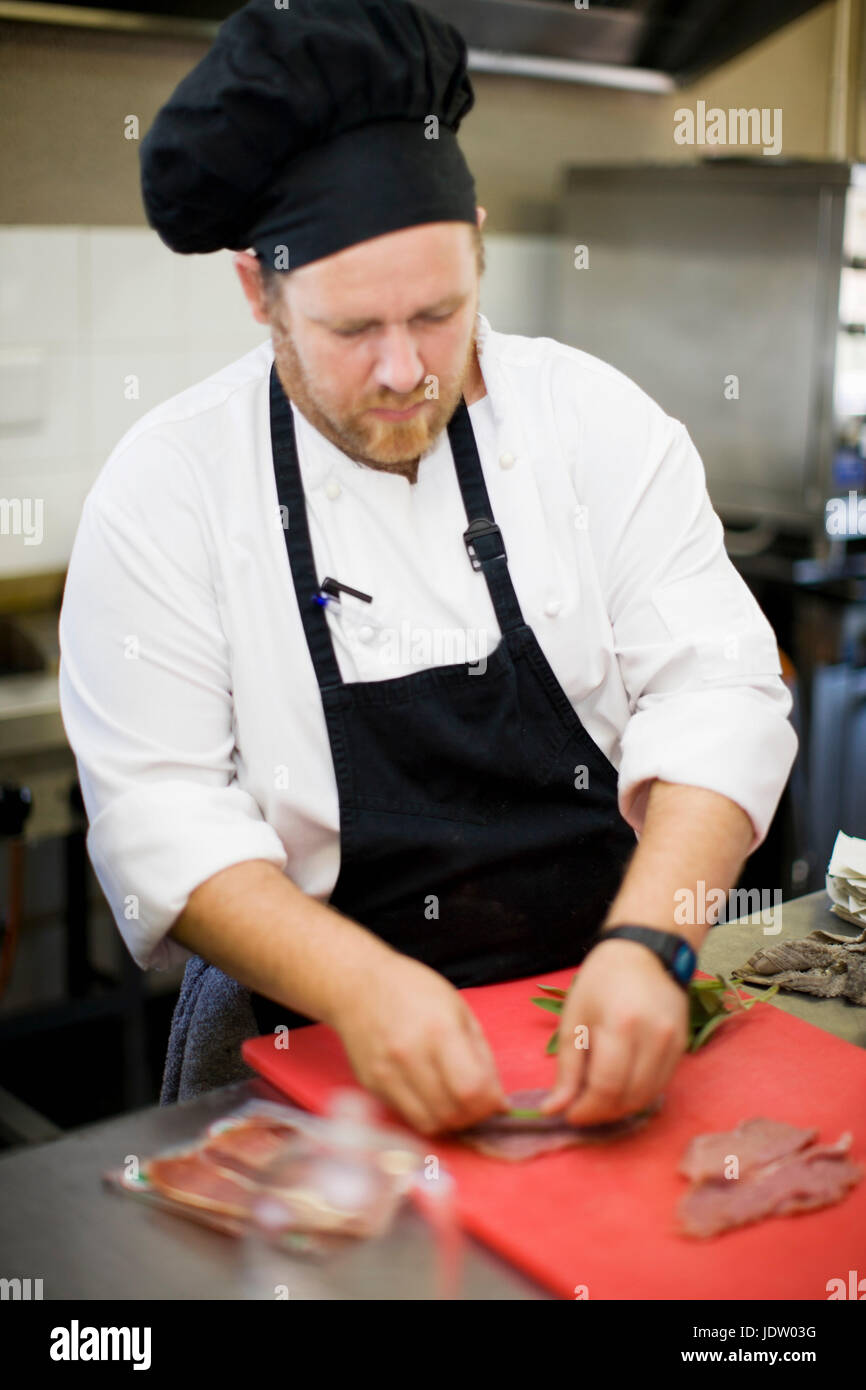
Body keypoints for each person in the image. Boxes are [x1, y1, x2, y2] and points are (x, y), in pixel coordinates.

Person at [58, 0, 797, 1133]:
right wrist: (365, 987)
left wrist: (653, 939)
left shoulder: (592, 420)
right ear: (259, 292)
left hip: (600, 996)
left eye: (440, 313)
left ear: (481, 246)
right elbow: (163, 815)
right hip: (302, 1042)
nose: (405, 371)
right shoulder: (167, 490)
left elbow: (718, 694)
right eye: (354, 329)